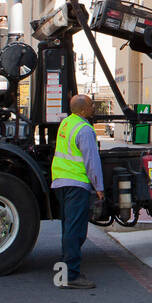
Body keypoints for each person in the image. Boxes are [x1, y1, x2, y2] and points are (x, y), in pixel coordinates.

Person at [51, 94, 103, 289]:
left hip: (61, 182)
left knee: (68, 227)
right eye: (91, 105)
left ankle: (64, 267)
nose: (93, 108)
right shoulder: (85, 130)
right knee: (76, 230)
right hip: (77, 184)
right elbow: (92, 162)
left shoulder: (66, 123)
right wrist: (99, 187)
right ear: (82, 110)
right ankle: (70, 275)